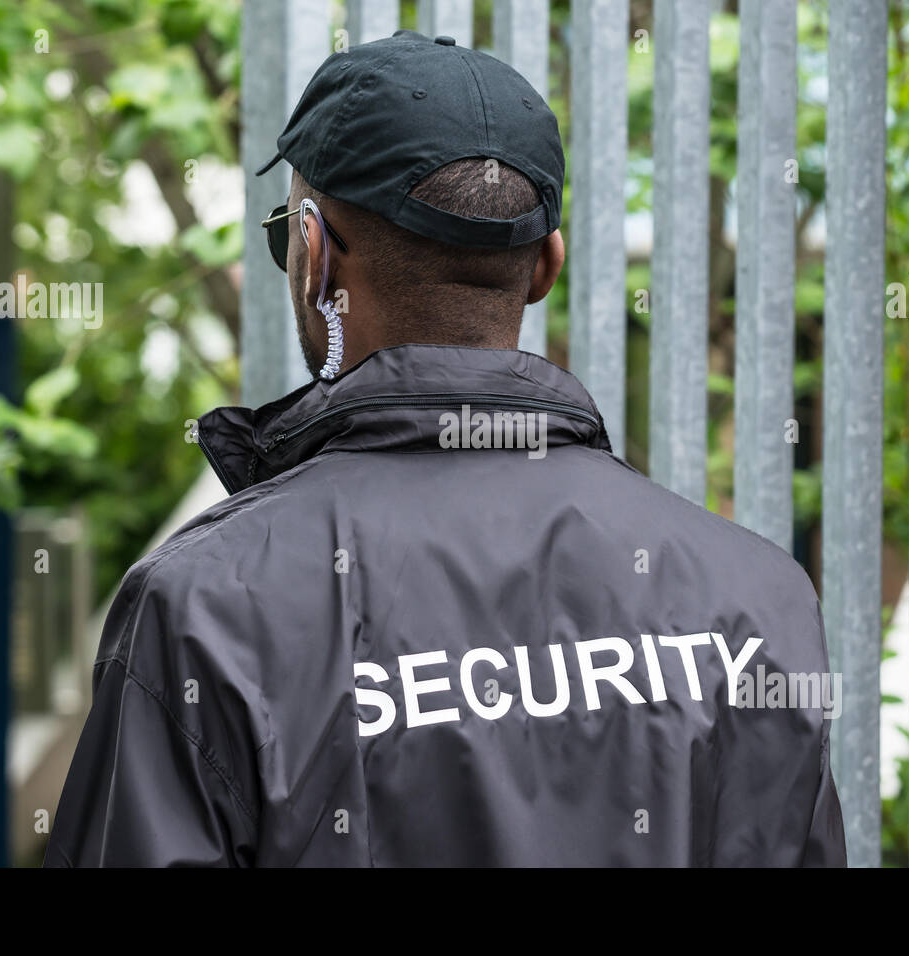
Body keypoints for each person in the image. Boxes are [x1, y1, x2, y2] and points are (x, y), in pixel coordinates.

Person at [45, 29, 846, 867]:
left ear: (314, 256)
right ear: (545, 268)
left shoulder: (208, 609)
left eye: (287, 234)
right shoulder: (756, 600)